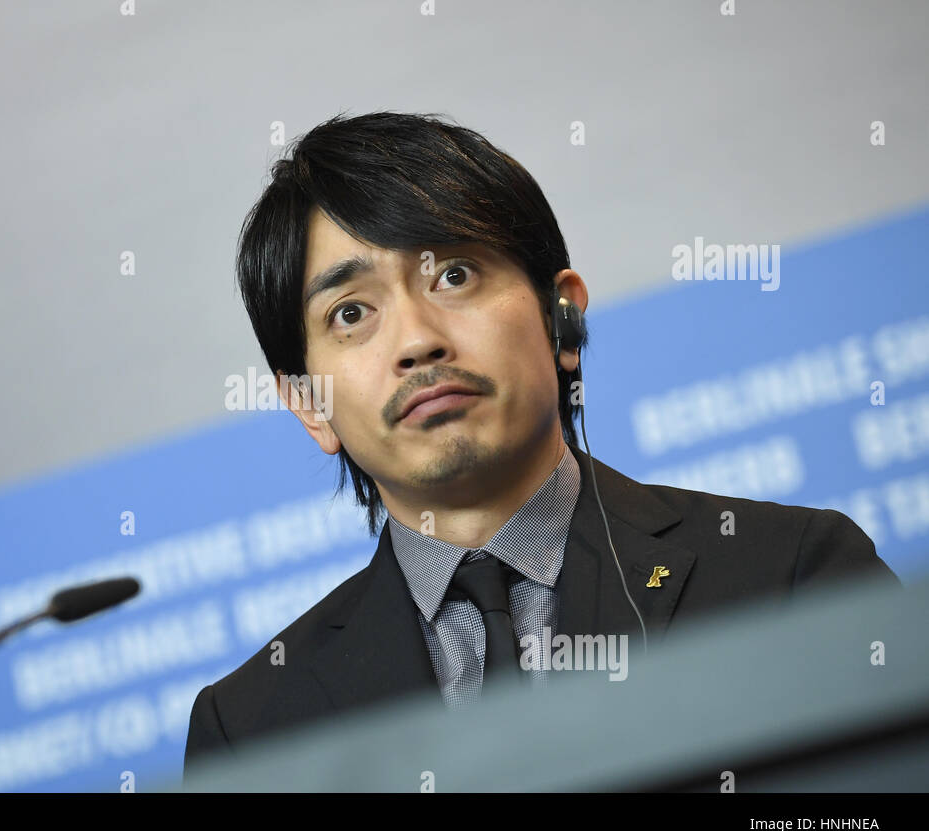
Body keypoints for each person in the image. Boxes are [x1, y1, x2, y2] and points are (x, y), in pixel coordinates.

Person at [182, 110, 900, 787]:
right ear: (310, 405)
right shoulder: (251, 730)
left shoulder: (790, 577)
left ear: (564, 322)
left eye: (453, 276)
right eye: (351, 313)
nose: (417, 340)